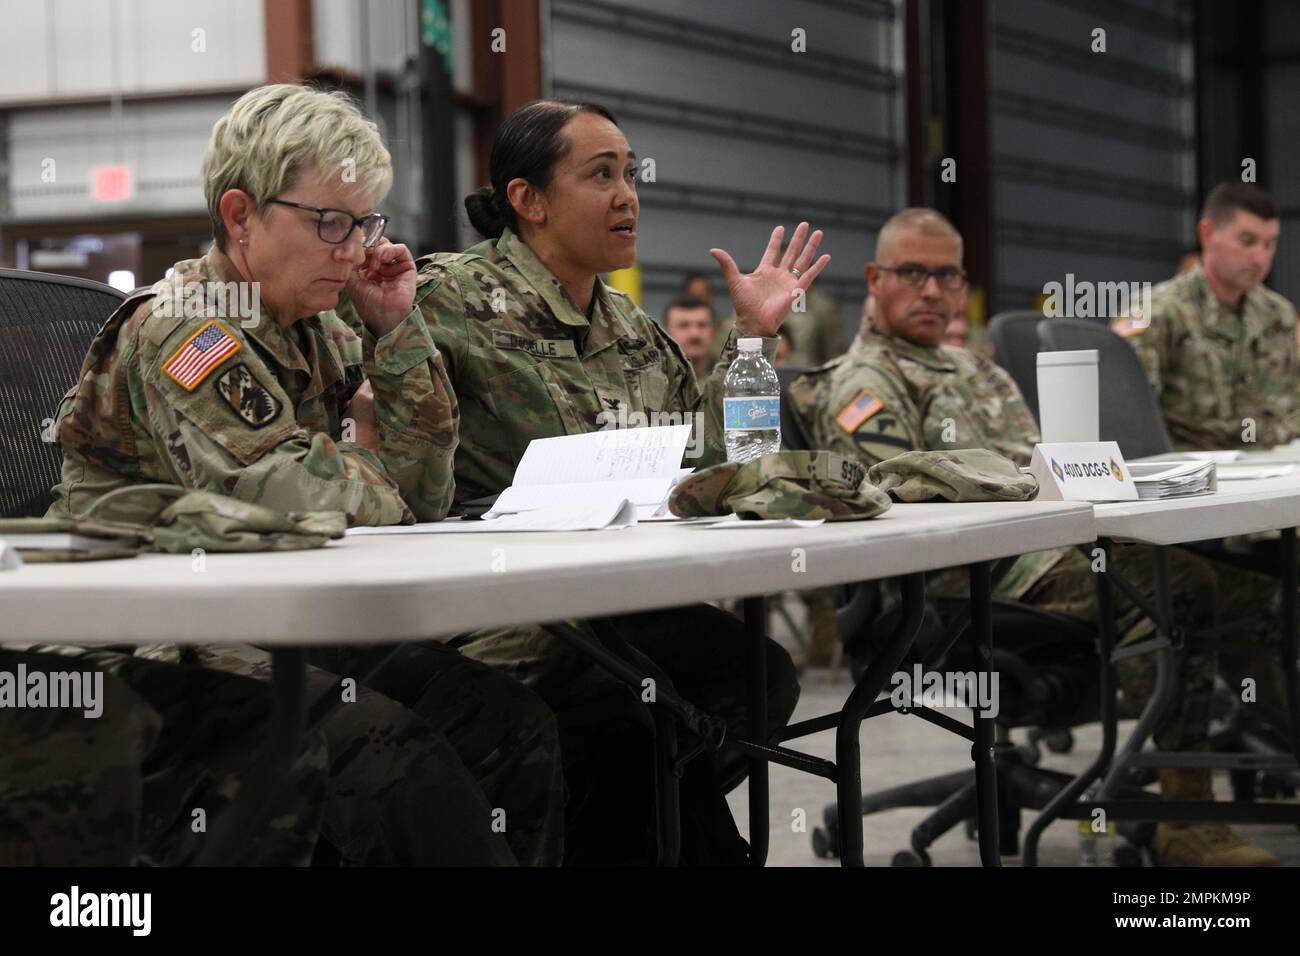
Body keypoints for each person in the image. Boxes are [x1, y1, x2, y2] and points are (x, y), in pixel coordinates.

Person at [38, 84, 563, 865]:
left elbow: (420, 496)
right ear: (242, 216)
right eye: (331, 223)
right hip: (149, 641)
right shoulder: (188, 328)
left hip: (269, 620)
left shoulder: (313, 329)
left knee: (512, 724)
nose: (355, 251)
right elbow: (291, 500)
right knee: (397, 763)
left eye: (366, 223)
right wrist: (355, 472)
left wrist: (396, 329)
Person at [791, 207, 1284, 866]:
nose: (933, 291)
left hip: (1045, 554)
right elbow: (901, 489)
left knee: (1262, 595)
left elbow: (1042, 461)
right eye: (913, 274)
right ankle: (1182, 820)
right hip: (959, 583)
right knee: (1180, 586)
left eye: (947, 277)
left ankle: (1269, 748)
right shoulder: (864, 382)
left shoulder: (979, 372)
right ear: (876, 278)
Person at [411, 99, 826, 863]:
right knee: (635, 707)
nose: (628, 194)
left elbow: (707, 458)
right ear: (527, 200)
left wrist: (752, 341)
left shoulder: (633, 329)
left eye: (630, 174)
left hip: (612, 604)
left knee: (752, 675)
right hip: (497, 610)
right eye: (600, 174)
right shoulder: (442, 303)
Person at [1120, 182, 1299, 451]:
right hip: (1189, 476)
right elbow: (1128, 418)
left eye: (1269, 244)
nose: (1260, 258)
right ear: (1207, 234)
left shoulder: (1278, 314)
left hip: (1272, 467)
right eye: (1247, 241)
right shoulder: (1156, 312)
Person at [662, 295, 716, 379]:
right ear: (665, 335)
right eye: (684, 325)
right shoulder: (651, 379)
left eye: (702, 325)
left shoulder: (730, 376)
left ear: (712, 333)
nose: (695, 334)